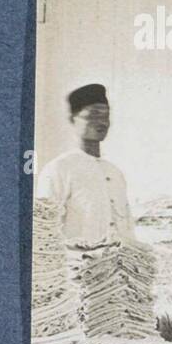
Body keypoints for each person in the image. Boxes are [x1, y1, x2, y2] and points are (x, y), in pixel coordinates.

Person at [36, 83, 136, 246]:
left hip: (117, 267)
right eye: (93, 114)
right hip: (76, 267)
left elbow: (128, 230)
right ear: (73, 119)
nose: (101, 122)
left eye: (106, 115)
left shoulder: (115, 173)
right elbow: (43, 232)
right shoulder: (58, 169)